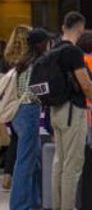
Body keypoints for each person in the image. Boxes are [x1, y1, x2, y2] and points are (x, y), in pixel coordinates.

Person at [48, 11, 92, 210]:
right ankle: (68, 207)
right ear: (80, 30)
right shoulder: (73, 52)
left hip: (55, 111)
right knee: (72, 165)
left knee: (59, 163)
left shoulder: (53, 50)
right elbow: (86, 84)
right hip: (72, 112)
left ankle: (57, 206)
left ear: (63, 27)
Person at [5, 27, 47, 210]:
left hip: (19, 114)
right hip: (29, 111)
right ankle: (20, 205)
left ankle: (35, 201)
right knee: (25, 161)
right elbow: (39, 89)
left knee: (36, 159)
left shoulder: (24, 61)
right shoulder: (37, 63)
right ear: (41, 44)